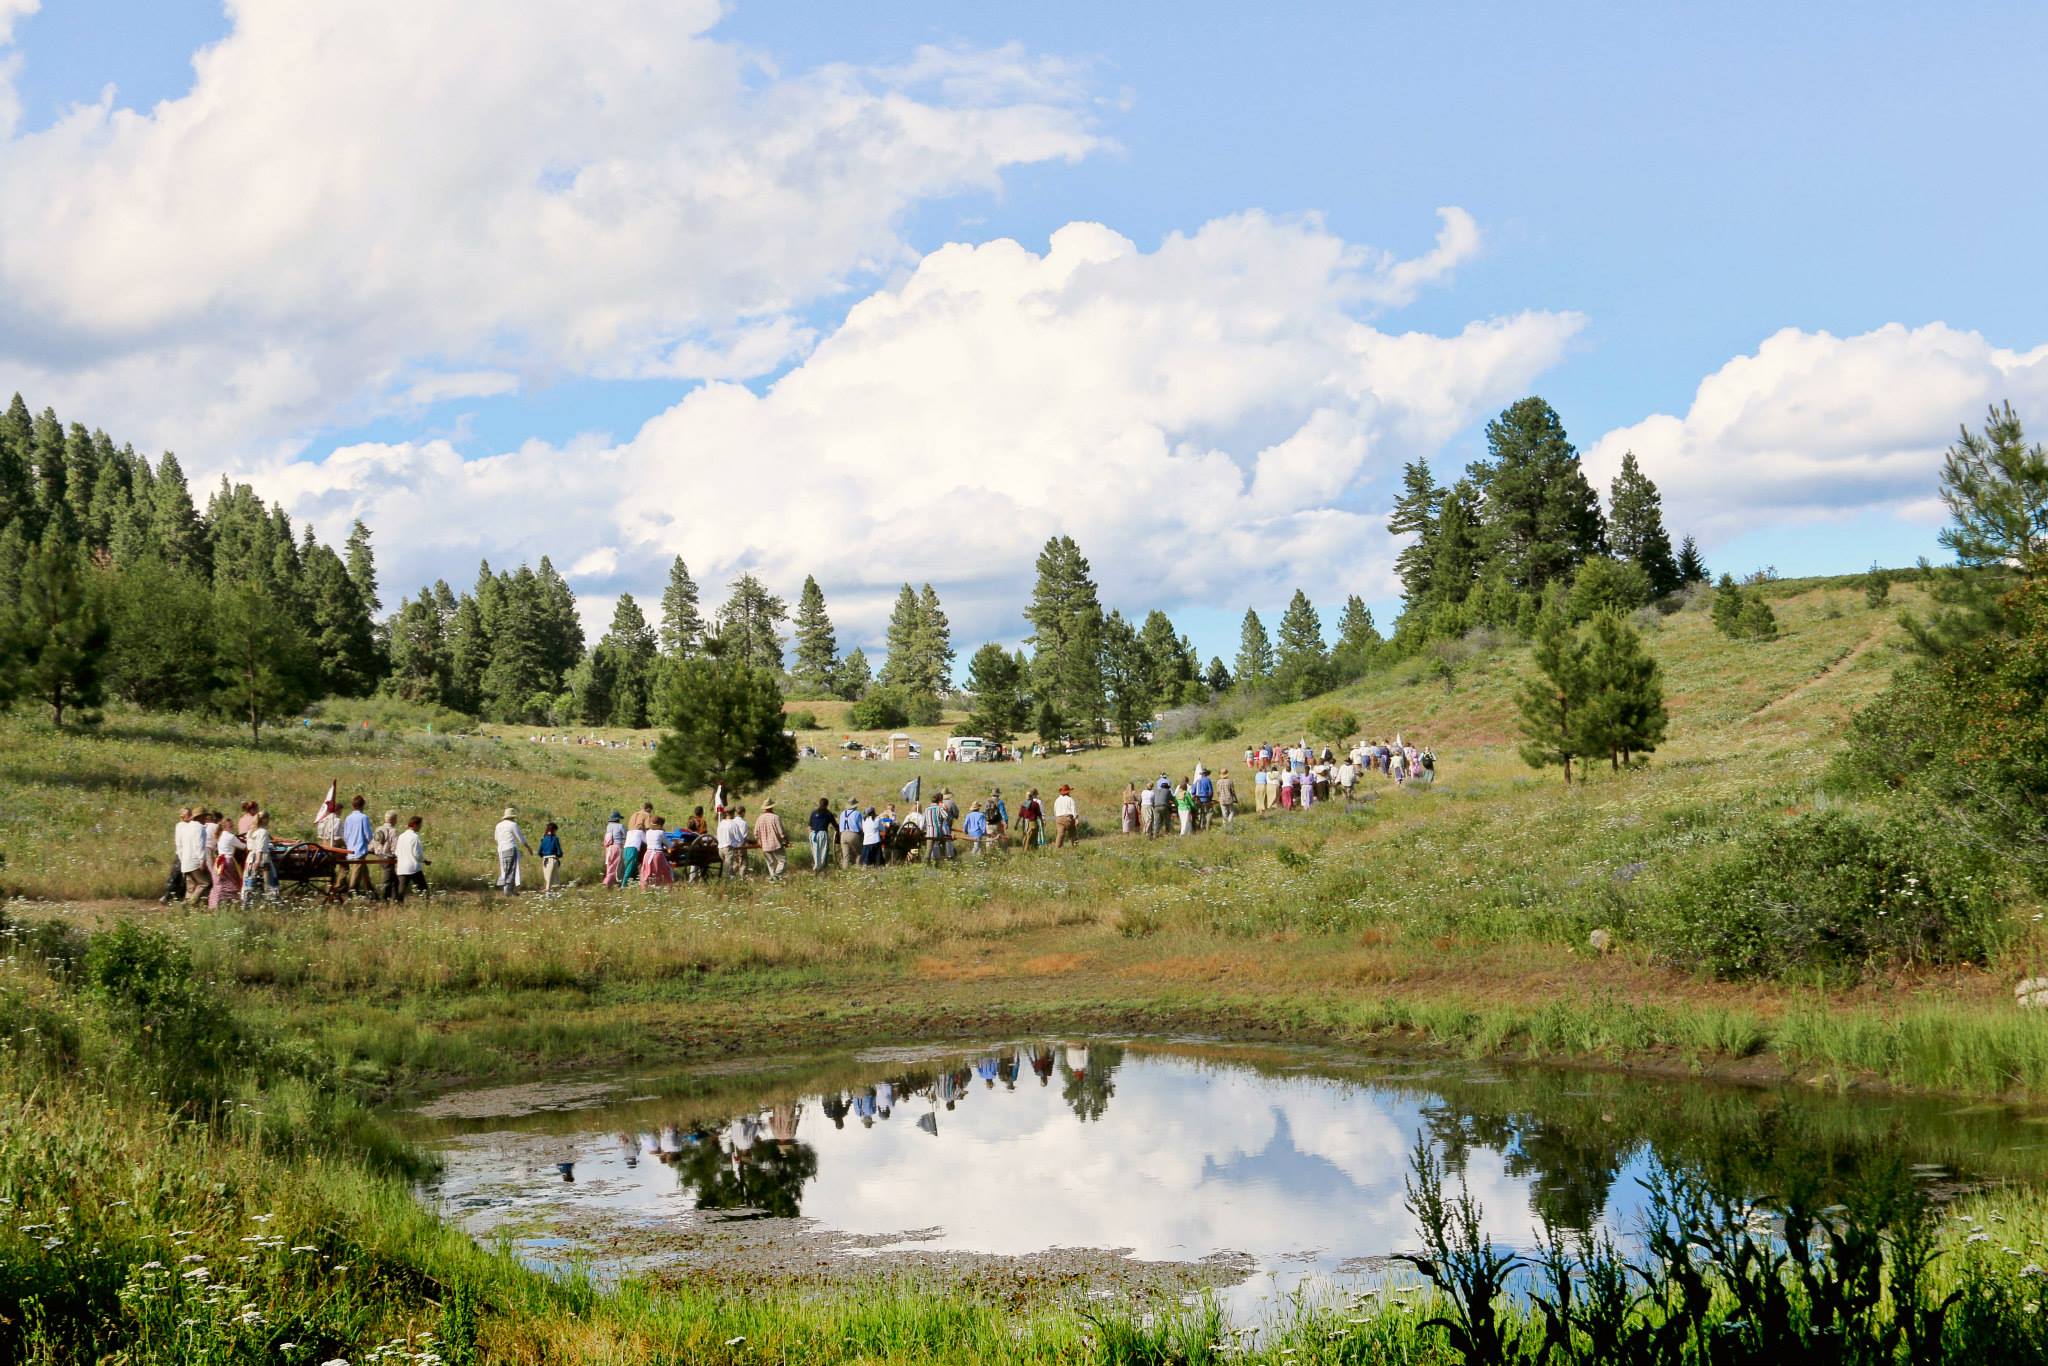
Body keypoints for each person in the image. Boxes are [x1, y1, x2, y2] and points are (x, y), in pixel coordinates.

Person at [341, 795, 374, 897]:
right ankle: (352, 891)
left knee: (364, 871)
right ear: (362, 805)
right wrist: (371, 844)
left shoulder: (348, 818)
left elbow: (345, 835)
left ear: (353, 805)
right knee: (357, 870)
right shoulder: (364, 818)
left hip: (350, 848)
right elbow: (368, 835)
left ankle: (371, 891)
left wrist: (349, 844)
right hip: (360, 848)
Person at [495, 807, 532, 894]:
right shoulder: (513, 825)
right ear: (512, 817)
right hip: (510, 848)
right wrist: (528, 847)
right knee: (512, 869)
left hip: (501, 849)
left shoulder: (498, 825)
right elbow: (521, 839)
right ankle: (508, 891)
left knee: (504, 869)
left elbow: (496, 838)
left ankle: (505, 887)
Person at [170, 806, 204, 903]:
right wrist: (200, 859)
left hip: (185, 857)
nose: (189, 817)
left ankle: (187, 903)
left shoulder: (188, 826)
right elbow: (179, 844)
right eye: (187, 815)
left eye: (190, 814)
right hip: (187, 857)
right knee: (202, 882)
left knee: (190, 884)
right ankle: (190, 902)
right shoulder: (182, 826)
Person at [241, 811, 274, 906]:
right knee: (268, 881)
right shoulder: (263, 832)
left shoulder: (251, 831)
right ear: (264, 820)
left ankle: (246, 902)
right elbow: (260, 848)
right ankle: (270, 901)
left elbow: (250, 846)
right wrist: (258, 861)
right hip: (262, 858)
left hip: (250, 857)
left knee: (249, 879)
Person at [393, 816, 429, 902]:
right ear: (415, 825)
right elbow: (417, 854)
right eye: (420, 825)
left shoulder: (401, 836)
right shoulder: (415, 837)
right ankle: (426, 904)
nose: (421, 827)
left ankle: (398, 906)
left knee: (401, 892)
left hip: (402, 868)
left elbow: (397, 852)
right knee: (424, 889)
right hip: (413, 868)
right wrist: (424, 861)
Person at [210, 821, 244, 908]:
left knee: (219, 883)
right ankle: (233, 903)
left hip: (219, 861)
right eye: (230, 825)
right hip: (227, 861)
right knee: (231, 882)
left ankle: (215, 904)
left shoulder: (220, 835)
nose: (232, 826)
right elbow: (243, 846)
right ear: (226, 826)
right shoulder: (230, 836)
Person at [370, 809, 401, 901]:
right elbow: (395, 846)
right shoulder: (393, 831)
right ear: (393, 819)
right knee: (387, 880)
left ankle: (396, 899)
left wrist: (372, 850)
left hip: (379, 856)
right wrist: (398, 856)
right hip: (388, 858)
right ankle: (384, 899)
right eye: (396, 818)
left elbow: (373, 842)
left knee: (394, 880)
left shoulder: (378, 829)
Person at [756, 800, 787, 880]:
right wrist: (785, 839)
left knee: (771, 863)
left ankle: (773, 879)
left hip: (765, 845)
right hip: (776, 844)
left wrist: (759, 841)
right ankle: (775, 876)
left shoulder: (759, 818)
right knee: (782, 861)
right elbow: (781, 832)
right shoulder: (775, 817)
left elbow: (756, 832)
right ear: (772, 807)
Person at [641, 818, 673, 886]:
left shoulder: (648, 832)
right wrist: (675, 843)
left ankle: (644, 887)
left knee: (647, 872)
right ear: (660, 825)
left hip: (648, 854)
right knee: (664, 871)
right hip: (657, 854)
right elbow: (669, 844)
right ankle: (668, 886)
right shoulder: (660, 832)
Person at [721, 804, 750, 879]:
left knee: (735, 862)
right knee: (743, 863)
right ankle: (742, 878)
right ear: (743, 813)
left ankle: (730, 875)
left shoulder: (730, 821)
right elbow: (742, 837)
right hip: (740, 845)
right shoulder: (744, 823)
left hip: (731, 846)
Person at [621, 808, 646, 886]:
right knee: (630, 867)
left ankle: (632, 882)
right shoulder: (640, 832)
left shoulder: (629, 832)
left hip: (625, 849)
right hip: (633, 849)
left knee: (629, 866)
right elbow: (646, 841)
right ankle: (623, 885)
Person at [808, 798, 834, 874]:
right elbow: (835, 824)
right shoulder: (828, 813)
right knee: (823, 852)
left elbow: (809, 825)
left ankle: (817, 866)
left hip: (813, 834)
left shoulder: (814, 812)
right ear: (827, 805)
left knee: (815, 852)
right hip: (822, 834)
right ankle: (820, 868)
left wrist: (810, 834)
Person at [538, 822, 564, 892]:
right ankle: (551, 894)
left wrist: (544, 855)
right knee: (553, 880)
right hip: (553, 859)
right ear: (554, 830)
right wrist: (559, 856)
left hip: (545, 860)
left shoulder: (543, 839)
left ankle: (548, 893)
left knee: (547, 879)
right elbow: (559, 852)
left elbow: (539, 852)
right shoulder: (555, 839)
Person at [838, 798, 863, 870]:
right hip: (853, 834)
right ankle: (858, 868)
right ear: (855, 805)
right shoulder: (857, 813)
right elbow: (861, 826)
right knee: (859, 853)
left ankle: (845, 870)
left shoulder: (843, 813)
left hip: (843, 835)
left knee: (846, 856)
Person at [602, 811, 625, 888]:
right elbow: (626, 835)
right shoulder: (620, 826)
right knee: (616, 866)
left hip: (609, 848)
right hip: (617, 847)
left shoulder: (608, 826)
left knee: (609, 865)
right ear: (617, 819)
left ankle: (609, 881)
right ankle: (608, 882)